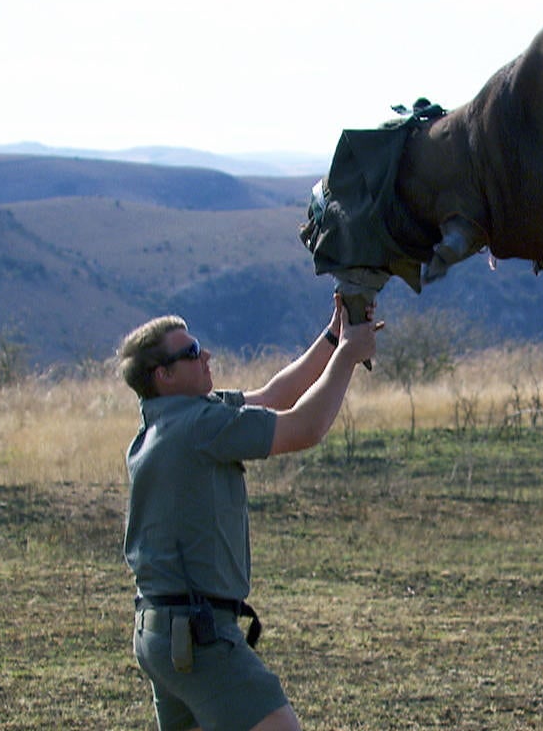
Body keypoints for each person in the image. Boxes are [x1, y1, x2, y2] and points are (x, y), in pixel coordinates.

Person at [120, 300, 378, 731]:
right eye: (191, 352)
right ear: (163, 376)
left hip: (162, 633)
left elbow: (275, 396)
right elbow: (304, 427)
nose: (206, 356)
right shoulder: (198, 425)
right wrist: (350, 355)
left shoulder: (168, 420)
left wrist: (334, 337)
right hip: (197, 635)